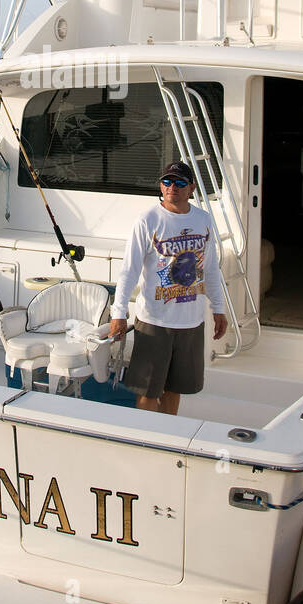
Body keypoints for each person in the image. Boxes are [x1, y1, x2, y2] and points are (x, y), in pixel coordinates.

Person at [109, 161, 228, 414]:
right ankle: (146, 440)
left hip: (191, 322)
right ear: (161, 186)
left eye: (180, 182)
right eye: (167, 181)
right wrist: (118, 312)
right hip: (155, 322)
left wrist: (219, 308)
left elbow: (211, 270)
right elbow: (129, 270)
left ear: (191, 188)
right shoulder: (147, 220)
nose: (172, 187)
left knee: (175, 389)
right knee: (148, 390)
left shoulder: (204, 220)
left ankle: (168, 435)